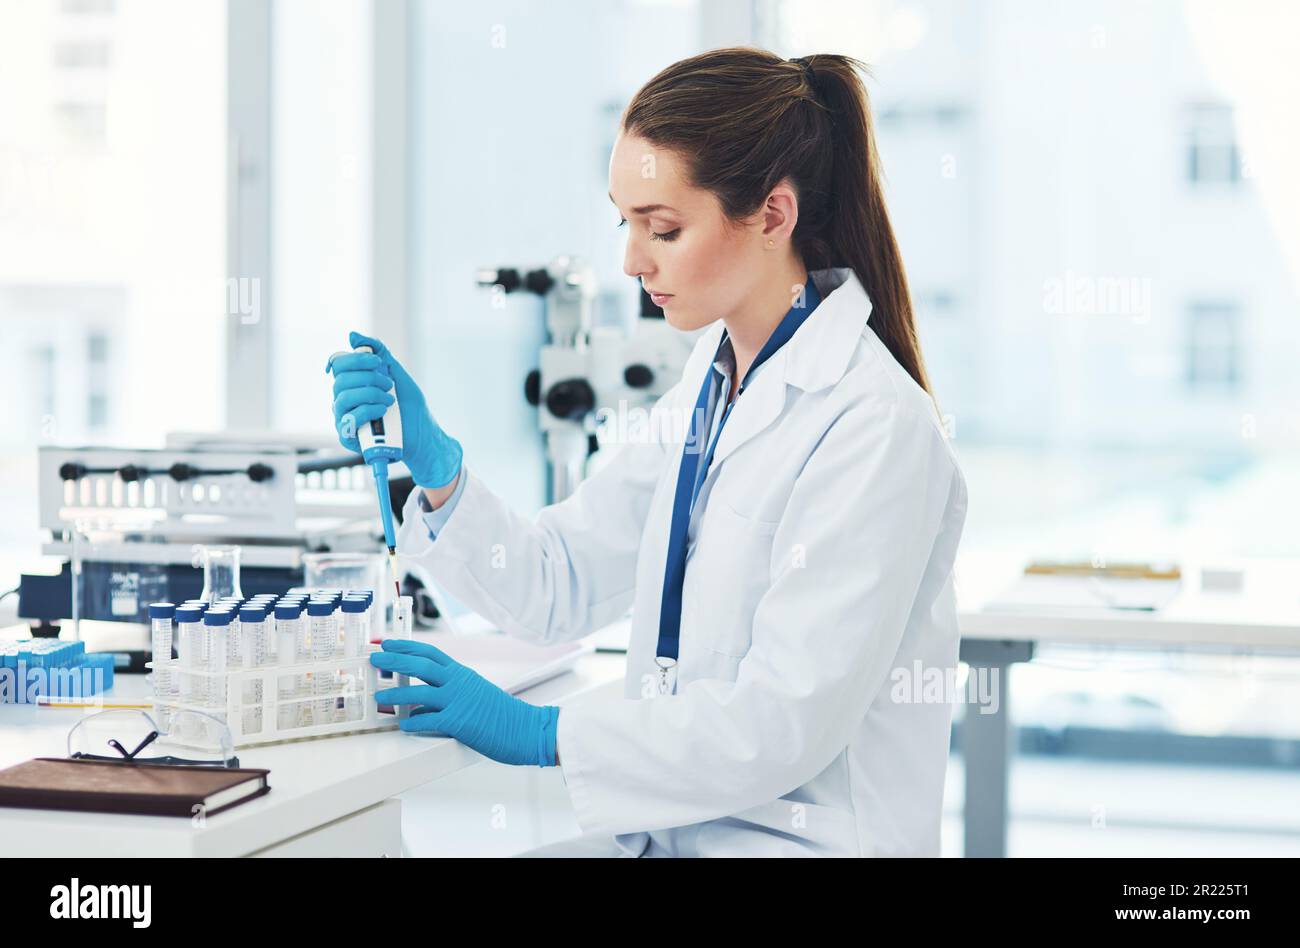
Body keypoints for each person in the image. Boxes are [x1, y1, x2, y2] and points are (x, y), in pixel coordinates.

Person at [327, 47, 967, 857]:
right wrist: (441, 472)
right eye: (624, 223)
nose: (632, 262)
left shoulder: (875, 426)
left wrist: (547, 733)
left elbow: (783, 722)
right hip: (673, 836)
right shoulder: (713, 381)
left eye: (663, 228)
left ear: (773, 215)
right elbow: (559, 580)